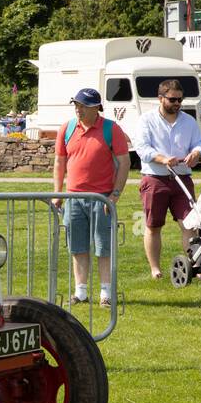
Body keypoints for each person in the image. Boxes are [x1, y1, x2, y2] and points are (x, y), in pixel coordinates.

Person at [54, 87, 130, 308]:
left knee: (103, 247)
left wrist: (115, 195)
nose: (78, 109)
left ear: (96, 107)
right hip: (73, 198)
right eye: (76, 105)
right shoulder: (66, 129)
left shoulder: (111, 129)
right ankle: (81, 292)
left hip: (102, 199)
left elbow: (124, 163)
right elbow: (59, 162)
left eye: (83, 105)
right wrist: (58, 193)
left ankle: (105, 293)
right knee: (77, 247)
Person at [136, 79, 201, 279]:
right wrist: (163, 159)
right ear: (160, 98)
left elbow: (199, 144)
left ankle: (194, 267)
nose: (177, 103)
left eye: (180, 100)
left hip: (183, 179)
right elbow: (142, 148)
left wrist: (196, 153)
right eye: (173, 99)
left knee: (190, 224)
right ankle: (155, 269)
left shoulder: (188, 121)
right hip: (154, 178)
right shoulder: (146, 120)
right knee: (153, 226)